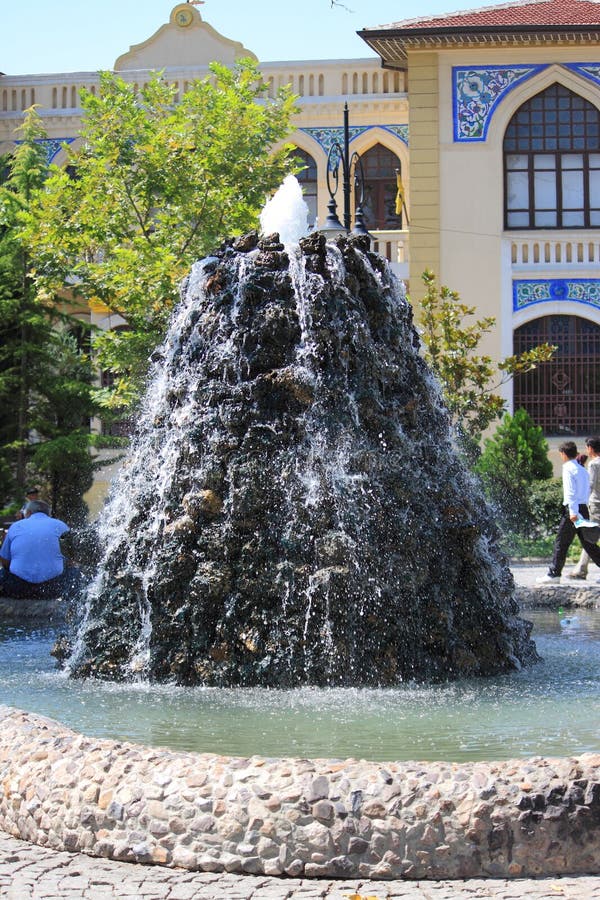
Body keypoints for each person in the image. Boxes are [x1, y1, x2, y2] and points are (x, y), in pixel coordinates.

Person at [537, 440, 600, 583]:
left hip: (573, 510)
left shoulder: (568, 468)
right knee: (589, 544)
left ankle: (554, 574)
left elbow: (570, 492)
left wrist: (572, 512)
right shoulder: (581, 469)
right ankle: (554, 573)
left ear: (563, 454)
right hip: (583, 508)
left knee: (561, 542)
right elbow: (585, 491)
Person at [0, 500, 81, 600]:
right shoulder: (61, 526)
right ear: (48, 513)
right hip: (53, 588)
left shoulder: (16, 526)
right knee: (75, 573)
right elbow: (71, 560)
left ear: (28, 512)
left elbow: (4, 561)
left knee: (3, 573)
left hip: (18, 587)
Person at [568, 436, 600, 580]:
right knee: (589, 537)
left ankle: (581, 569)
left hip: (596, 504)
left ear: (591, 448)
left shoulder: (594, 464)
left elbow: (590, 484)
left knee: (590, 537)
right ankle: (581, 568)